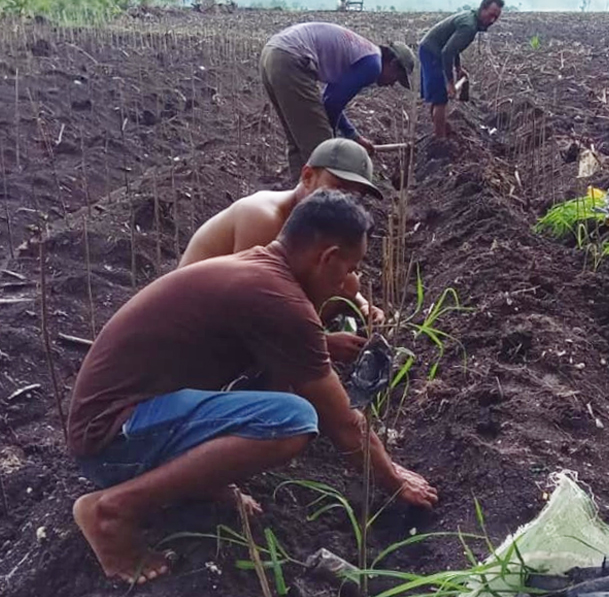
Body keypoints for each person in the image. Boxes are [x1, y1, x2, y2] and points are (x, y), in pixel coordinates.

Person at [68, 190, 438, 585]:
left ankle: (199, 482)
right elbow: (344, 424)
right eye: (350, 267)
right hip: (112, 440)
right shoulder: (279, 299)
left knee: (277, 391)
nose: (352, 282)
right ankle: (113, 509)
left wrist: (322, 347)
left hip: (125, 417)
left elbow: (253, 349)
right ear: (326, 257)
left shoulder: (260, 269)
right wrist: (393, 478)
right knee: (292, 420)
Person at [180, 139, 386, 347]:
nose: (344, 199)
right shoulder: (263, 217)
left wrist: (362, 304)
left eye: (355, 194)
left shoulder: (317, 224)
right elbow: (250, 304)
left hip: (247, 307)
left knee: (349, 284)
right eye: (338, 187)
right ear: (307, 177)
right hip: (196, 325)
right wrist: (322, 345)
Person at [260, 22, 416, 182]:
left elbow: (328, 100)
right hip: (292, 59)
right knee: (323, 153)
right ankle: (321, 201)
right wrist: (335, 143)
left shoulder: (363, 54)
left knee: (299, 142)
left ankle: (301, 199)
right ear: (393, 64)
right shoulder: (373, 66)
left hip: (273, 54)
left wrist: (353, 136)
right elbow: (331, 105)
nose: (392, 84)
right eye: (396, 78)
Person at [419, 0, 504, 138]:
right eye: (490, 15)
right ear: (483, 9)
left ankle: (439, 128)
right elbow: (447, 52)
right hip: (432, 52)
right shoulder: (469, 27)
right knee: (441, 99)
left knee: (438, 96)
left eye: (496, 17)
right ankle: (440, 140)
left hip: (430, 49)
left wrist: (458, 68)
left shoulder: (472, 19)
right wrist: (450, 83)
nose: (492, 20)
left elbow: (454, 47)